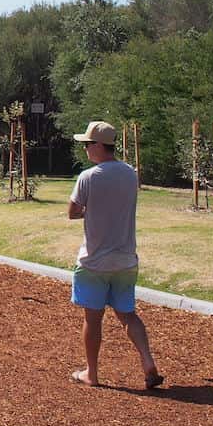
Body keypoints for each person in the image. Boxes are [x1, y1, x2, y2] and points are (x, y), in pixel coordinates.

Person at [67, 121, 162, 389]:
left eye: (87, 144)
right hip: (126, 260)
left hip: (94, 261)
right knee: (128, 314)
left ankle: (91, 373)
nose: (85, 149)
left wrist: (91, 212)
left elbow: (72, 212)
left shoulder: (88, 176)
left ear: (98, 146)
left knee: (93, 318)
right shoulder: (130, 173)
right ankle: (147, 361)